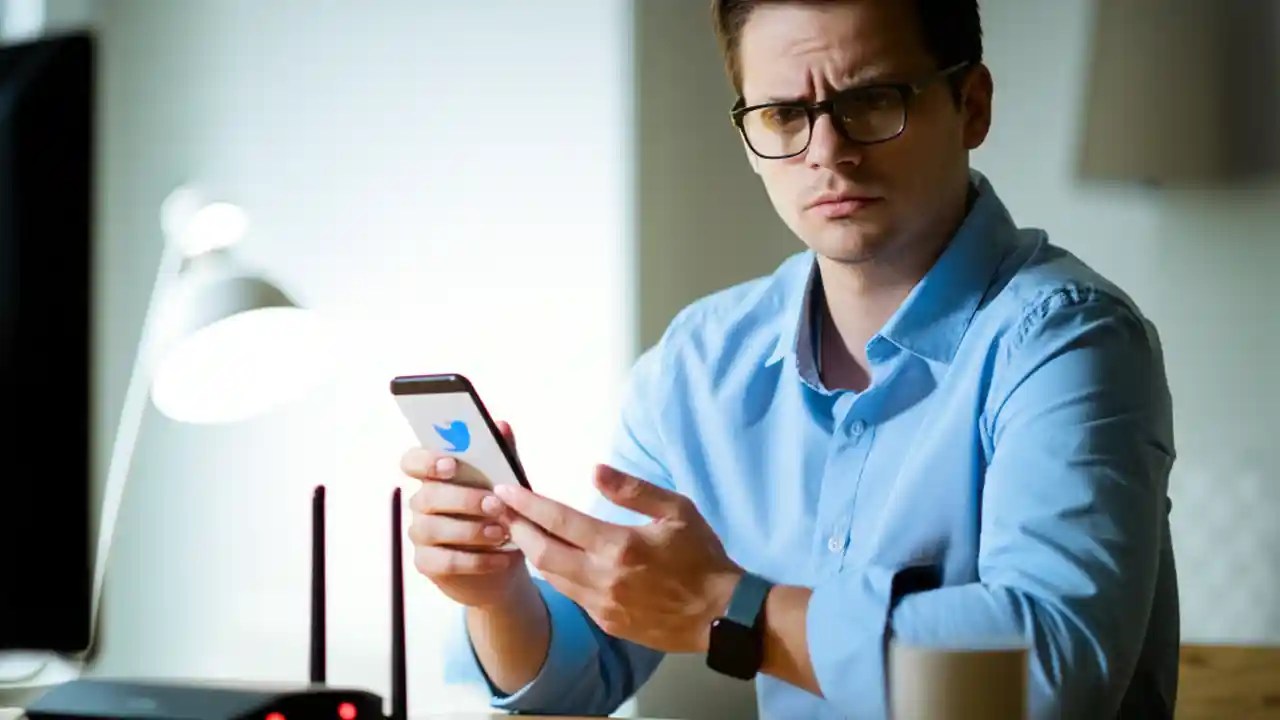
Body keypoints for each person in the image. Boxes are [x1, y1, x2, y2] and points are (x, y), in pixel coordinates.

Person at [401, 0, 1179, 717]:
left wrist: (728, 606)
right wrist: (497, 594)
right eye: (782, 114)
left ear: (970, 105)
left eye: (872, 101)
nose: (828, 153)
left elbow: (1046, 677)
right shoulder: (698, 365)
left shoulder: (1070, 342)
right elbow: (584, 675)